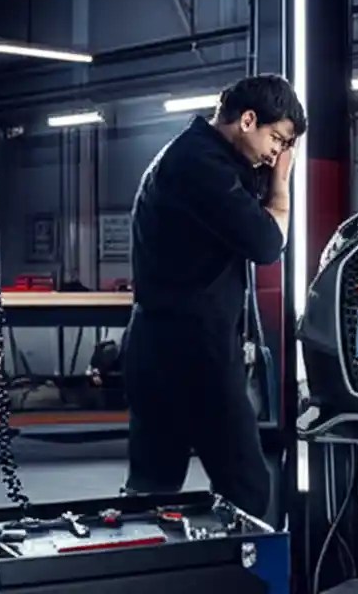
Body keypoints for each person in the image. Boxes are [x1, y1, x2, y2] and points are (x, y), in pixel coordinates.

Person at [121, 74, 305, 519]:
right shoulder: (201, 165)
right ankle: (249, 580)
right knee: (246, 484)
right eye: (277, 139)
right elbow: (265, 244)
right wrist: (281, 189)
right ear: (247, 120)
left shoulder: (194, 155)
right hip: (193, 349)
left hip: (159, 342)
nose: (277, 155)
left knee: (154, 485)